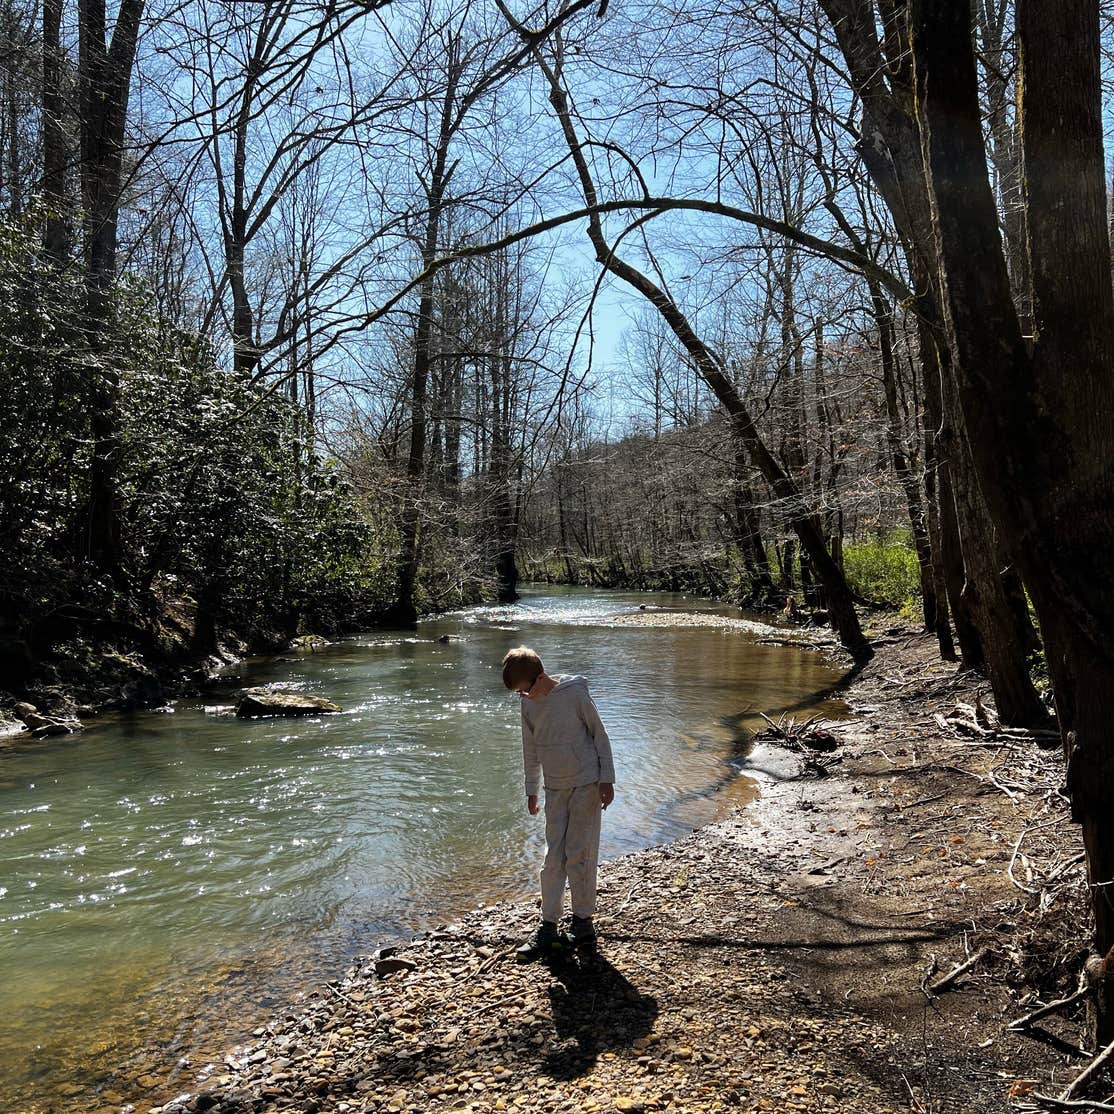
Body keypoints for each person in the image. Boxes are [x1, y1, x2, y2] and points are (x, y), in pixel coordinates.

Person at [502, 645, 615, 961]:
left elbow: (600, 735)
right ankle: (548, 926)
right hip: (554, 788)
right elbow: (530, 749)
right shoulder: (528, 705)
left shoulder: (574, 693)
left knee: (580, 853)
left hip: (586, 784)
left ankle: (583, 923)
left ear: (540, 679)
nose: (523, 697)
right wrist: (531, 790)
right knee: (553, 858)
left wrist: (607, 780)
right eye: (518, 693)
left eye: (525, 690)